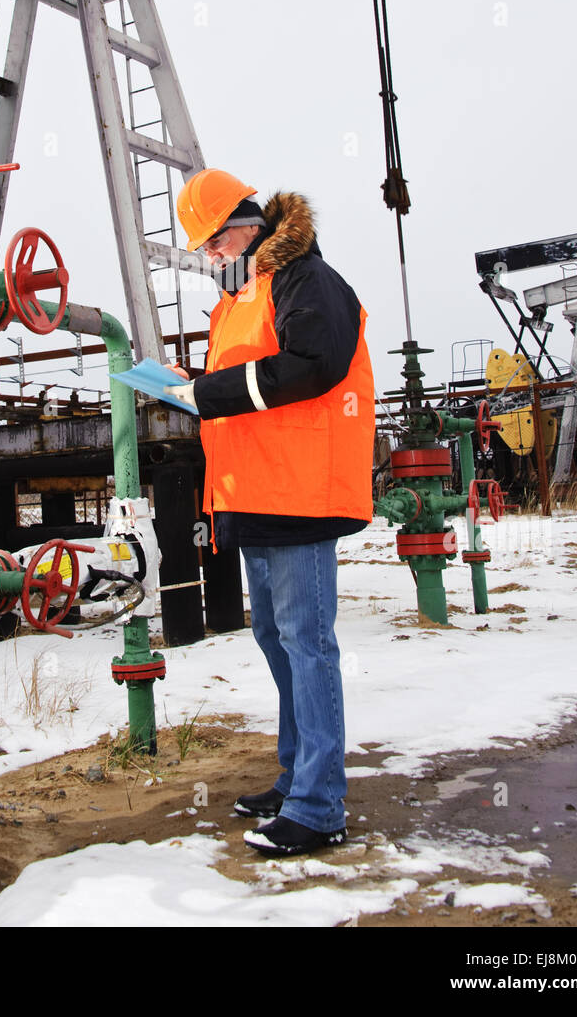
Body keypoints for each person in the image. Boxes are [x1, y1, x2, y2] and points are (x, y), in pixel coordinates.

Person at [166, 169, 375, 858]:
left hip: (298, 495)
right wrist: (193, 393)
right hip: (255, 492)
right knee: (277, 640)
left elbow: (315, 363)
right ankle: (295, 781)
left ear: (243, 226)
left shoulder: (306, 280)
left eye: (212, 243)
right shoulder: (241, 299)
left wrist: (208, 391)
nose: (211, 257)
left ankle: (318, 809)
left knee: (306, 644)